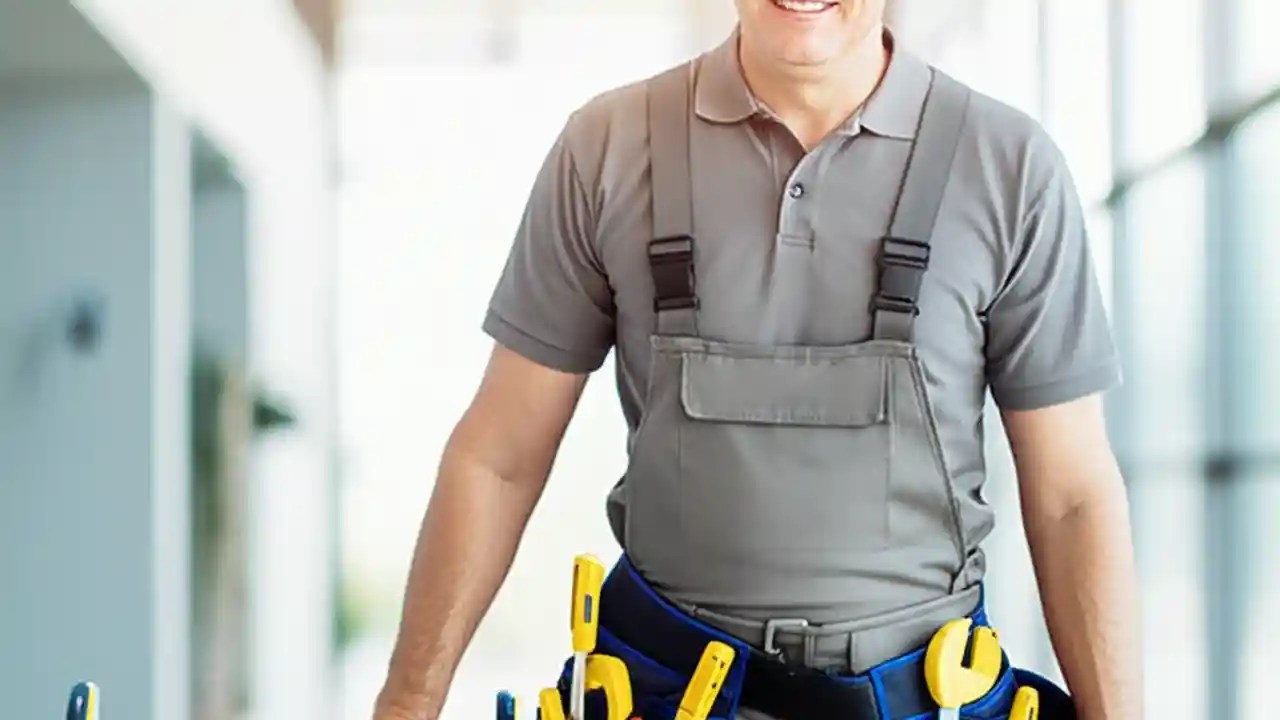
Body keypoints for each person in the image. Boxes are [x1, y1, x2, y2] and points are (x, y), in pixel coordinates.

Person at [373, 1, 1144, 718]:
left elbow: (1072, 493)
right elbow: (499, 458)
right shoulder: (606, 148)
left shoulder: (1009, 166)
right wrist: (408, 701)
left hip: (926, 696)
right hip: (661, 693)